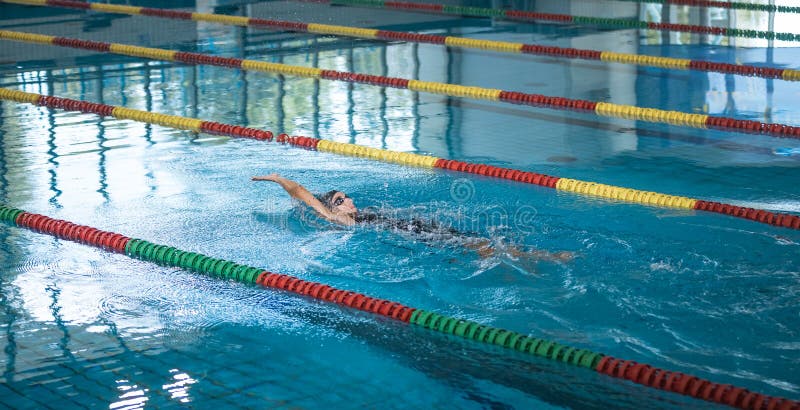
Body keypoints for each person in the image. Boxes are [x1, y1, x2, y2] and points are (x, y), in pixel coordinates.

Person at [252, 173, 573, 262]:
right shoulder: (345, 222)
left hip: (420, 228)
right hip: (415, 234)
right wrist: (280, 179)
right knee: (479, 245)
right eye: (340, 200)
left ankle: (521, 258)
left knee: (475, 245)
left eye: (346, 196)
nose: (348, 200)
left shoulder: (367, 214)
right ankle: (542, 257)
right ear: (333, 211)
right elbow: (304, 195)